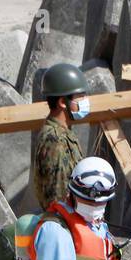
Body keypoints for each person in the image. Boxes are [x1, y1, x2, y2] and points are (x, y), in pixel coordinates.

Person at [31, 62, 88, 212]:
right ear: (63, 102)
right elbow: (58, 198)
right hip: (64, 224)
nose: (85, 101)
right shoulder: (55, 140)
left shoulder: (63, 133)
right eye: (80, 97)